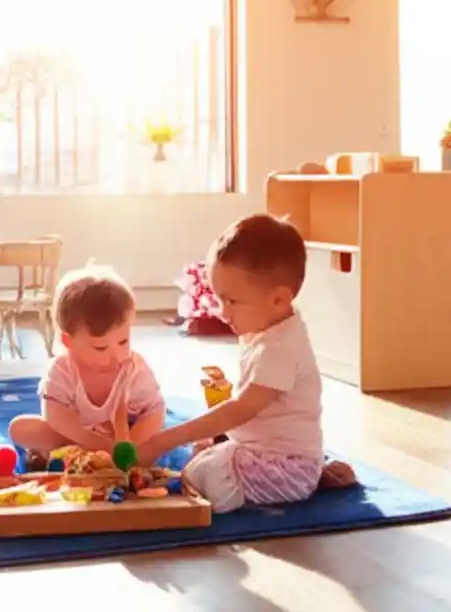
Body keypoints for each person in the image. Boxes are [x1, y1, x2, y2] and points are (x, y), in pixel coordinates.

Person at [134, 214, 328, 513]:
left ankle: (309, 476)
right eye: (219, 299)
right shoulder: (268, 328)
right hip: (266, 452)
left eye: (232, 301)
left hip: (288, 469)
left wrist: (163, 440)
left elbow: (239, 410)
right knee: (203, 454)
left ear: (279, 300)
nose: (222, 312)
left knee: (203, 472)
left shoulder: (279, 348)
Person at [9, 265, 166, 453]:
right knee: (20, 428)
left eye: (123, 341)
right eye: (100, 348)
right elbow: (55, 414)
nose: (116, 356)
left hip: (123, 434)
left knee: (160, 434)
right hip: (78, 434)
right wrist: (93, 442)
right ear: (69, 342)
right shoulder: (63, 368)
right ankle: (76, 450)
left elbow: (154, 411)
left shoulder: (134, 369)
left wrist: (129, 445)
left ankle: (90, 452)